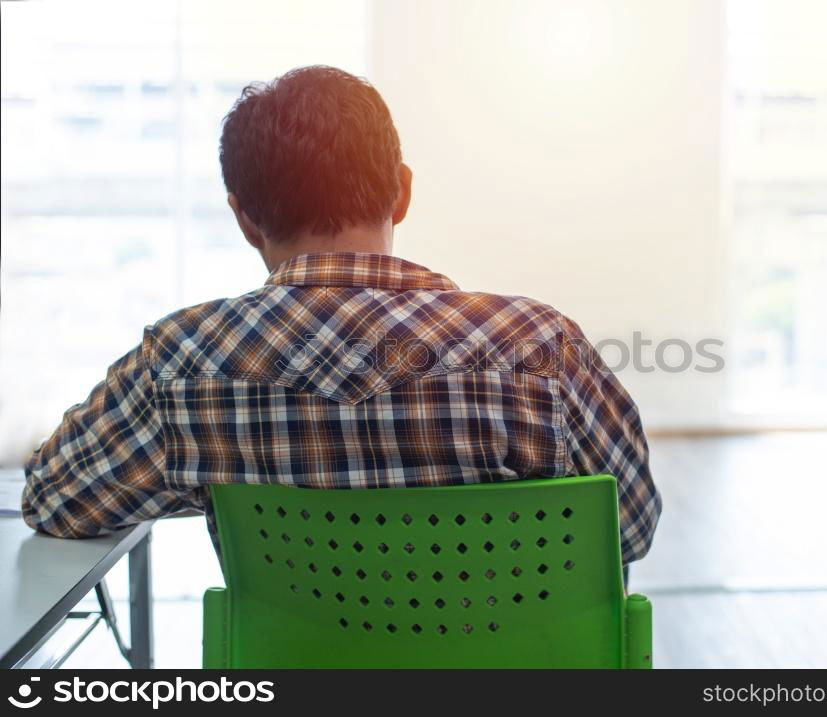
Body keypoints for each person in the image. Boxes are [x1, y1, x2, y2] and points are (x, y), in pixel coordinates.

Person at [22, 66, 661, 565]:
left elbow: (54, 499)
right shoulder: (538, 345)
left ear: (244, 218)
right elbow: (630, 528)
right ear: (402, 192)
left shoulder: (182, 361)